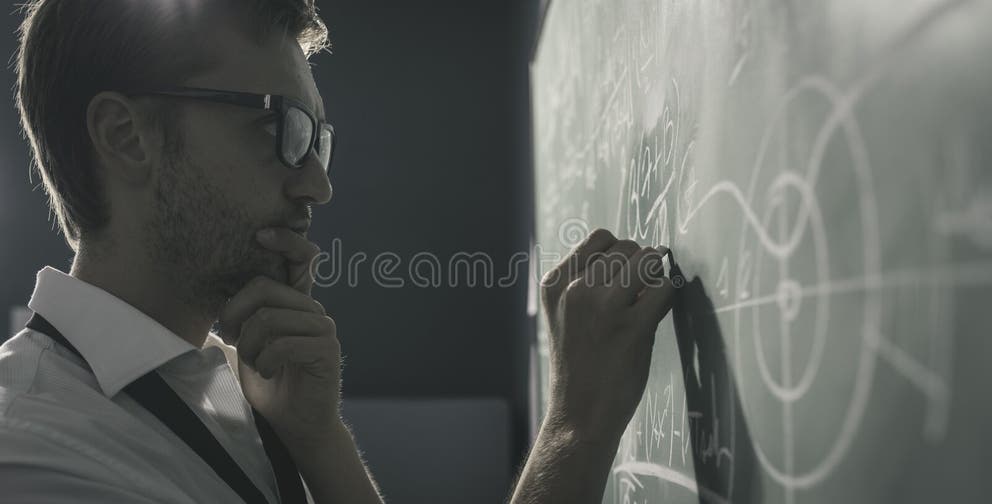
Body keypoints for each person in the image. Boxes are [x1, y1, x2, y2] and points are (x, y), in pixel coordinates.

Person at [0, 1, 677, 503]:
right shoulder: (33, 449)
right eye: (279, 128)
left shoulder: (234, 390)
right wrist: (574, 431)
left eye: (317, 138)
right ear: (126, 136)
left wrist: (319, 444)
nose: (318, 184)